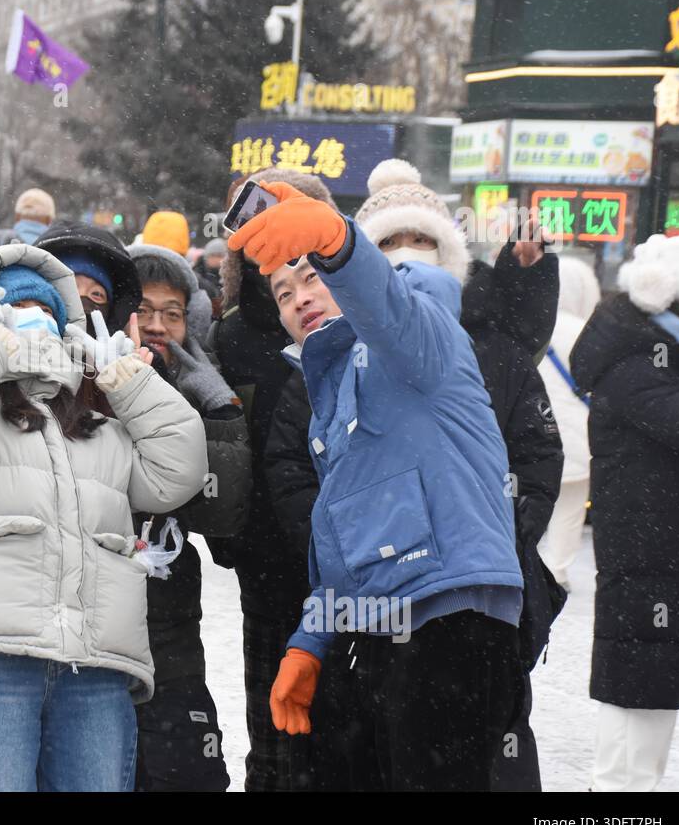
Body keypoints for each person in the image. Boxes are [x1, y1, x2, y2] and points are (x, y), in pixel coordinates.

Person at [231, 180, 524, 791]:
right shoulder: (329, 394)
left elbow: (385, 304)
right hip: (378, 625)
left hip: (452, 617)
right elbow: (346, 536)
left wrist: (336, 241)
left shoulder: (423, 335)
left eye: (310, 278)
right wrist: (311, 641)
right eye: (284, 293)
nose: (299, 299)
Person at [0, 243, 208, 792]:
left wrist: (128, 379)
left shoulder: (100, 424)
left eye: (46, 312)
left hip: (97, 662)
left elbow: (178, 473)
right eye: (13, 310)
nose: (32, 322)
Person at [354, 158, 565, 791]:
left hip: (481, 595)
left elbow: (537, 455)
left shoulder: (493, 350)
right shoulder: (344, 348)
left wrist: (498, 526)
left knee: (487, 759)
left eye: (423, 241)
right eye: (389, 243)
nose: (408, 257)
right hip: (379, 594)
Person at [570, 235, 679, 792]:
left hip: (671, 538)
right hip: (646, 540)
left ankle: (635, 795)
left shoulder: (672, 354)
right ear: (663, 300)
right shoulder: (634, 362)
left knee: (659, 673)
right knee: (636, 676)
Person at [211, 169, 334, 792]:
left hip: (351, 563)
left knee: (340, 724)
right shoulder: (229, 336)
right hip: (266, 560)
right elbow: (219, 447)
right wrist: (232, 538)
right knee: (272, 727)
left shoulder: (346, 325)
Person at [124, 242, 250, 791]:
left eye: (171, 314)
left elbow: (223, 516)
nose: (156, 325)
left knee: (186, 766)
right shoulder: (87, 376)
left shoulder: (199, 384)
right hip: (97, 602)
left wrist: (218, 407)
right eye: (144, 310)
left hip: (171, 601)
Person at [536, 255, 601, 591]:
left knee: (529, 503)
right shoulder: (584, 331)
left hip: (535, 432)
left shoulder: (533, 323)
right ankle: (557, 570)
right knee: (570, 509)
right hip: (578, 437)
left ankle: (525, 564)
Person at [35, 220, 142, 334]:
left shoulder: (124, 350)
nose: (82, 303)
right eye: (71, 289)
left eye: (96, 294)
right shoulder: (18, 345)